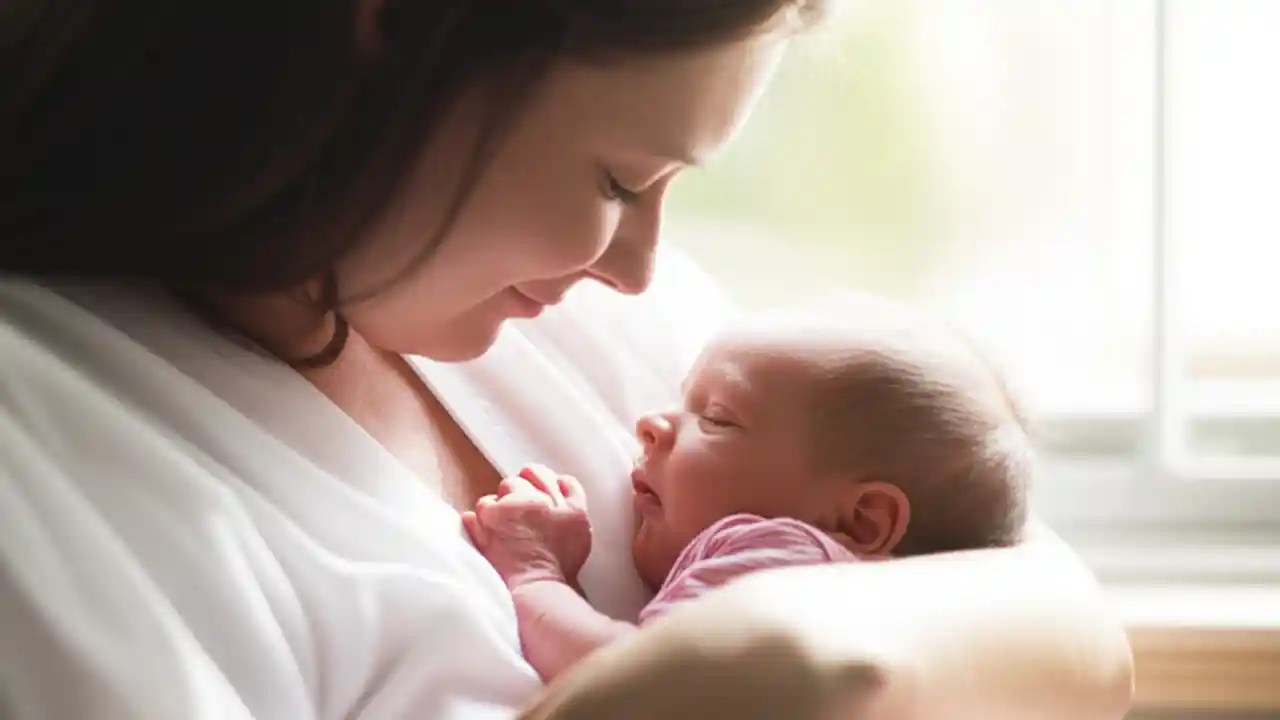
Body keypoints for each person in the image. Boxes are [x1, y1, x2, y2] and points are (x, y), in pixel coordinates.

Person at [1, 2, 1133, 719]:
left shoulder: (570, 320)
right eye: (616, 181)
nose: (640, 266)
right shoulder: (48, 455)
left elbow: (1074, 624)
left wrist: (782, 658)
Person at [464, 297, 1032, 681]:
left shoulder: (788, 561)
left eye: (716, 417)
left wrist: (535, 575)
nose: (651, 425)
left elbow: (635, 689)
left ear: (861, 521)